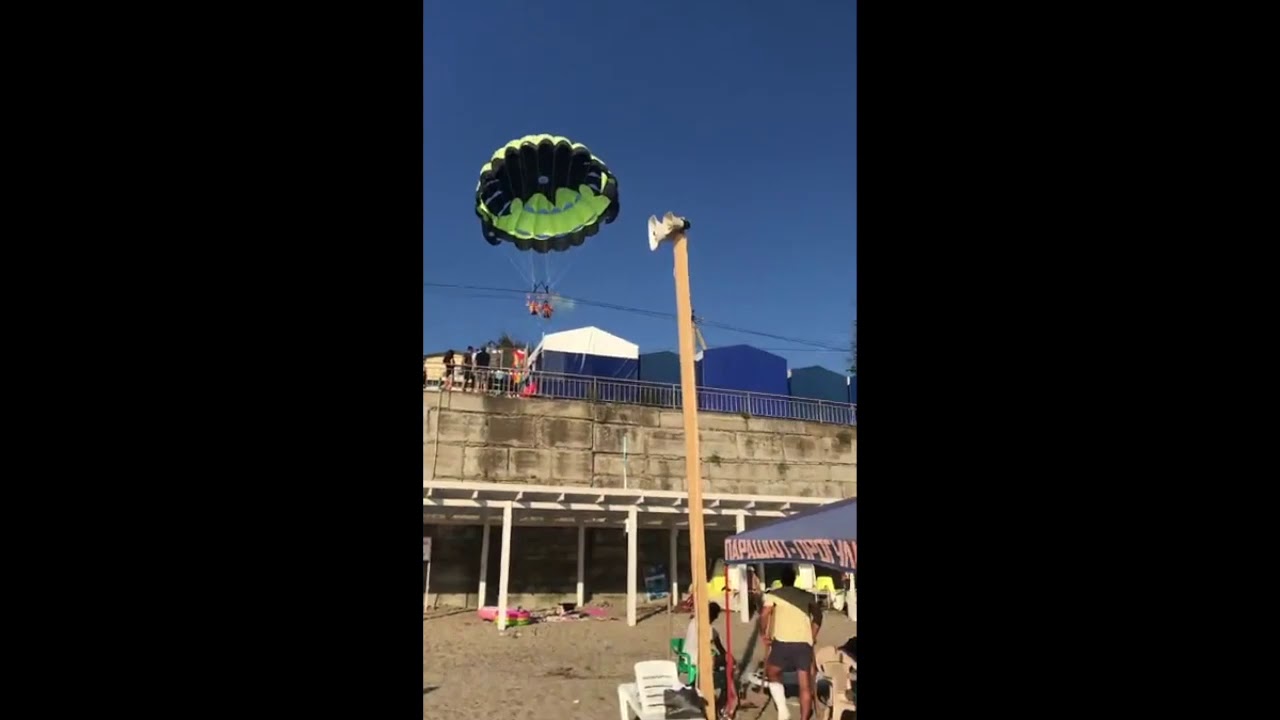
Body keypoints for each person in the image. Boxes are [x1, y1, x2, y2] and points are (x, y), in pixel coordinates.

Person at [761, 566, 820, 720]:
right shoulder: (807, 596)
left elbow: (765, 614)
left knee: (772, 672)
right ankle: (803, 718)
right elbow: (818, 617)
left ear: (781, 580)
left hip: (783, 642)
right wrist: (812, 634)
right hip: (803, 642)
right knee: (805, 684)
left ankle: (782, 710)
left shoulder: (774, 595)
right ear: (794, 579)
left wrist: (763, 633)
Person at [683, 603, 736, 717]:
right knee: (730, 662)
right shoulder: (709, 630)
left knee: (724, 659)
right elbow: (720, 649)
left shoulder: (693, 622)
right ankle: (725, 700)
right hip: (698, 659)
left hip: (686, 657)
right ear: (714, 616)